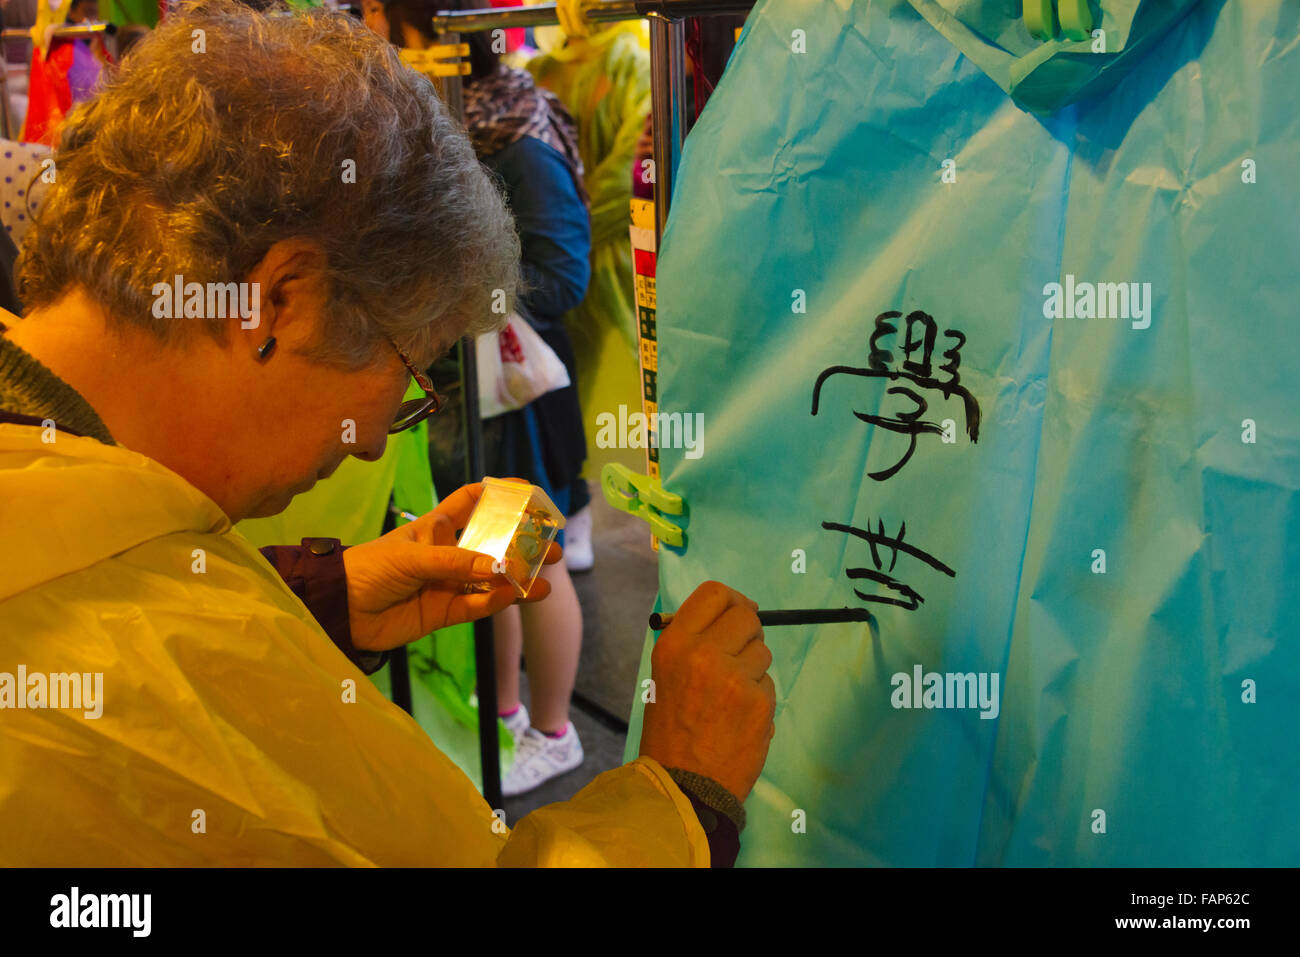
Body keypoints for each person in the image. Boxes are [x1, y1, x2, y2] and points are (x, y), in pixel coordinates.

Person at [0, 0, 774, 866]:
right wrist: (682, 797)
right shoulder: (110, 662)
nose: (374, 441)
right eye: (410, 367)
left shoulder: (68, 522)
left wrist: (315, 602)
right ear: (280, 300)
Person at [364, 0, 593, 796]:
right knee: (483, 560)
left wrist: (459, 288)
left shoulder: (519, 139)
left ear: (433, 39)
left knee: (534, 563)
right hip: (473, 394)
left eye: (375, 14)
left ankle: (556, 729)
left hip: (516, 399)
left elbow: (566, 276)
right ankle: (501, 715)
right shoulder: (455, 132)